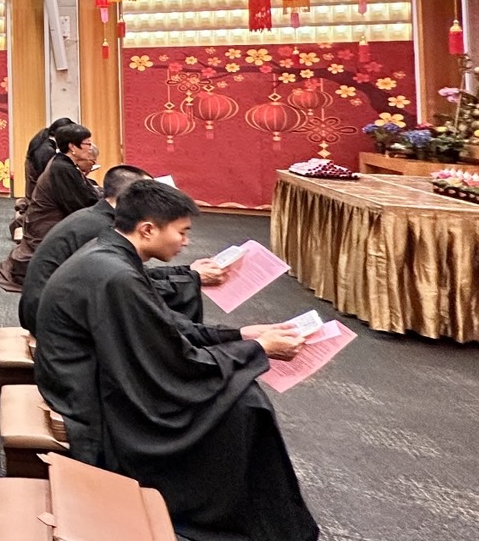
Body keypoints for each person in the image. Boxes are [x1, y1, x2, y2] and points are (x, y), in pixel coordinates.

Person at [35, 180, 318, 541]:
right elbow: (169, 363)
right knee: (244, 408)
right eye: (182, 232)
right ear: (148, 229)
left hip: (94, 373)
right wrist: (259, 350)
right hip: (86, 400)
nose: (186, 242)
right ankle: (245, 521)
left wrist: (241, 336)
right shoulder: (115, 273)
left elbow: (164, 328)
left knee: (237, 396)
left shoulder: (113, 253)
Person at [19, 165, 225, 336]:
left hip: (57, 313)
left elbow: (135, 275)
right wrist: (192, 279)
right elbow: (127, 284)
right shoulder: (99, 228)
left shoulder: (99, 218)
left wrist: (188, 273)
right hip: (49, 322)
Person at [0, 122, 100, 292]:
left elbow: (83, 193)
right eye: (87, 144)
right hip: (44, 228)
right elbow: (80, 203)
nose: (90, 148)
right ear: (73, 147)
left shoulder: (63, 163)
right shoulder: (61, 167)